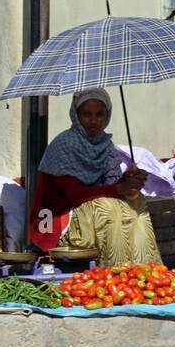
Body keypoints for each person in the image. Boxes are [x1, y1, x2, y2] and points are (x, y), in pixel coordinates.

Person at [29, 88, 160, 266]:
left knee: (137, 203)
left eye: (99, 114)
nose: (93, 121)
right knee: (107, 209)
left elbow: (109, 186)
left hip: (89, 210)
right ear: (76, 115)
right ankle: (115, 272)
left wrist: (128, 180)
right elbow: (76, 194)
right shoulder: (64, 144)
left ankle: (144, 269)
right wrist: (119, 188)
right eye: (86, 114)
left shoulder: (104, 144)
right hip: (59, 218)